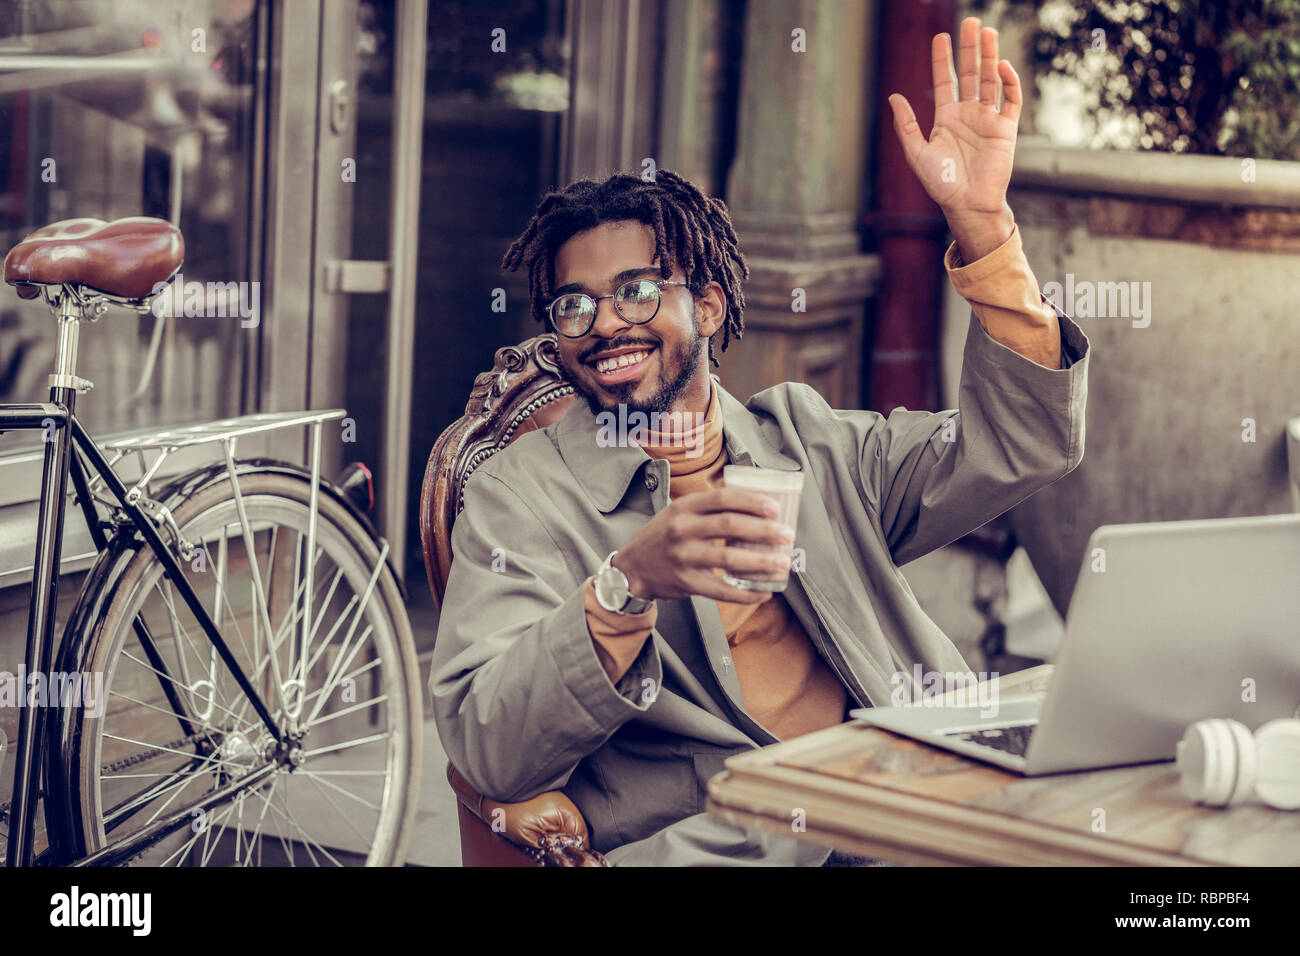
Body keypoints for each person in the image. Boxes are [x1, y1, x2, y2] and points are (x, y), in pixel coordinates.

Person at [430, 17, 1089, 866]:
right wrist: (626, 586)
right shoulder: (520, 498)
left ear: (706, 308)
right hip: (730, 841)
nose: (604, 325)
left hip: (909, 801)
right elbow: (487, 748)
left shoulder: (809, 442)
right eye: (574, 305)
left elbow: (1023, 443)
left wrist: (984, 226)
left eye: (636, 290)